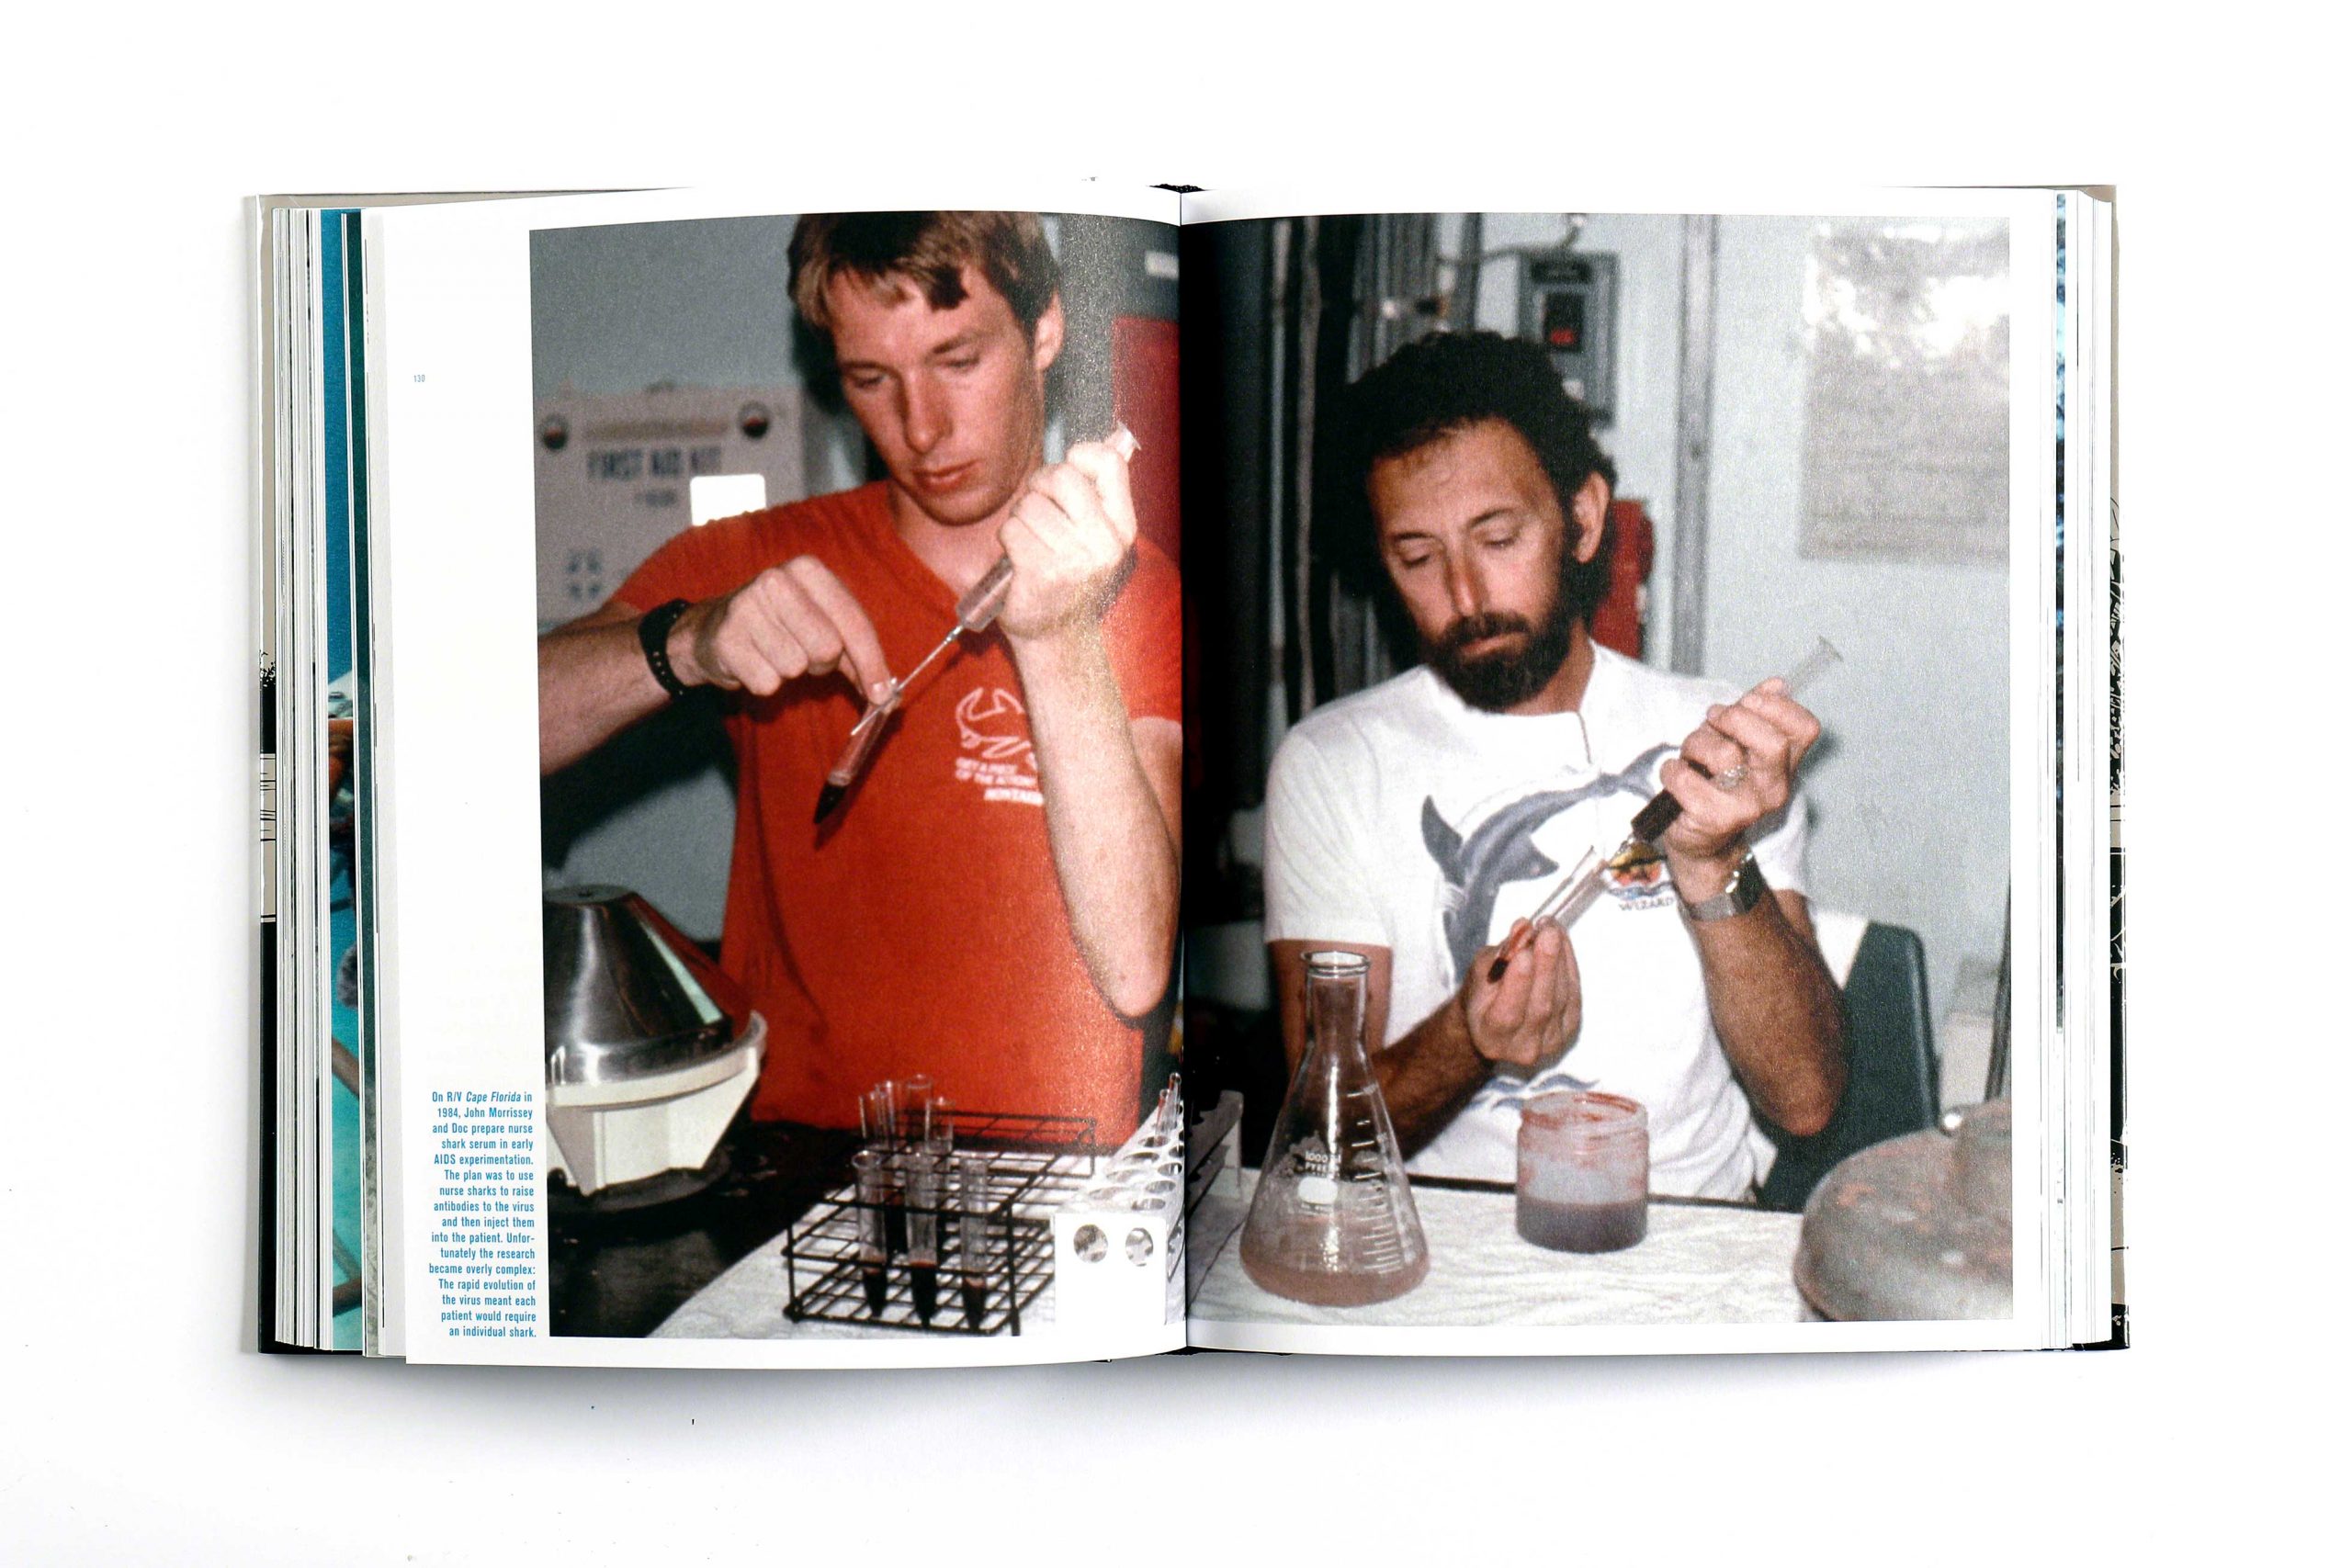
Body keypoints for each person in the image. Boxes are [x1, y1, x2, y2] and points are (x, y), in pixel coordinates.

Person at [539, 212, 1181, 1143]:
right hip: (798, 1163)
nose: (922, 427)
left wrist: (1056, 635)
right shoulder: (761, 560)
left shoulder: (1139, 592)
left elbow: (1135, 968)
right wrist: (687, 642)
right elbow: (467, 743)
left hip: (1050, 1164)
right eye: (872, 379)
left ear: (1045, 328)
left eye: (958, 360)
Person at [1261, 331, 1843, 1198]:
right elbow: (1325, 1135)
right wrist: (1468, 1037)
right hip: (1444, 1238)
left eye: (1498, 539)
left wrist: (1714, 862)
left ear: (1583, 519)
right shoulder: (1335, 763)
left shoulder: (1720, 745)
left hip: (1684, 1227)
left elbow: (1807, 1100)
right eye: (1417, 558)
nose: (1465, 596)